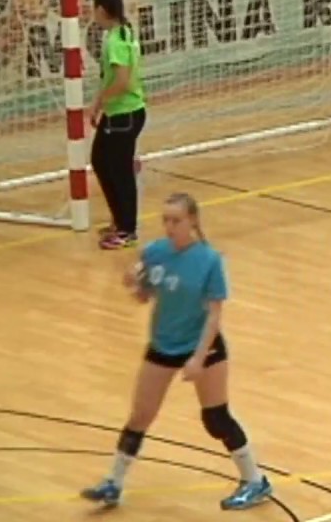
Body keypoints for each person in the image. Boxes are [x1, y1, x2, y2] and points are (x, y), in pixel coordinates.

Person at [81, 192, 273, 510]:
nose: (170, 227)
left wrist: (198, 358)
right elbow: (144, 296)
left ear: (193, 221)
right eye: (166, 221)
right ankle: (113, 483)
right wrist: (131, 283)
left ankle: (255, 481)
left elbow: (214, 314)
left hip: (203, 345)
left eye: (176, 221)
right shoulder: (156, 252)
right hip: (163, 343)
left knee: (215, 418)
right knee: (140, 415)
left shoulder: (209, 260)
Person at [88, 0, 148, 250]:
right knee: (100, 160)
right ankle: (120, 220)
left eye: (94, 9)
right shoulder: (124, 31)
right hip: (120, 113)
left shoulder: (116, 40)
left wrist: (99, 102)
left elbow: (122, 81)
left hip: (124, 114)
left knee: (120, 171)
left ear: (102, 10)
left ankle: (127, 229)